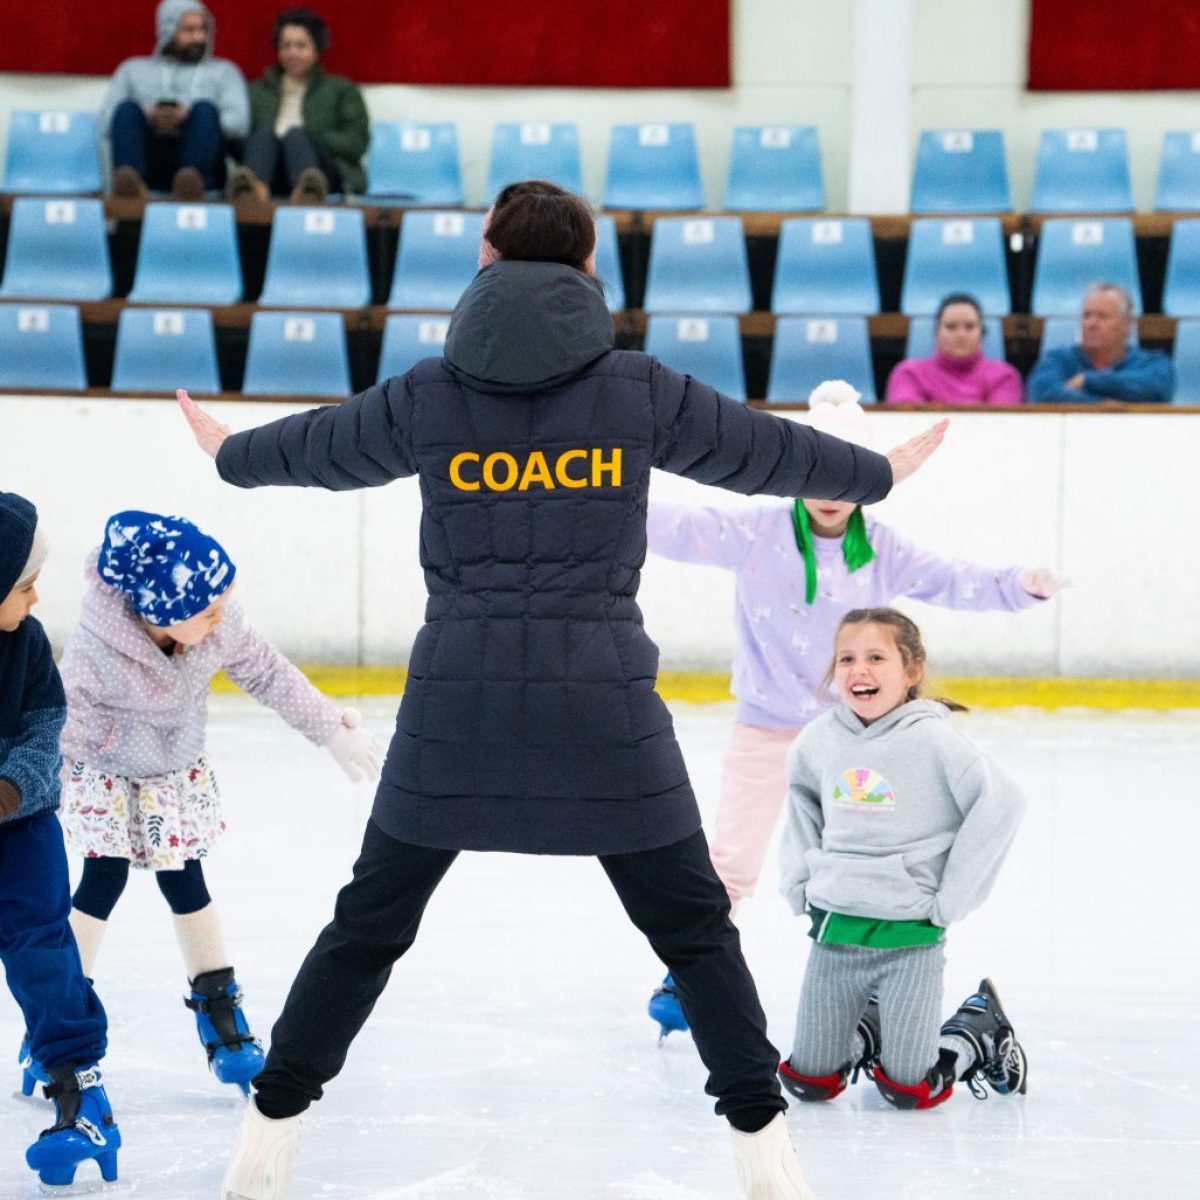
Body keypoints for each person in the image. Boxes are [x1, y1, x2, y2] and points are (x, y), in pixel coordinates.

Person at [179, 179, 947, 1200]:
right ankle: (767, 1157)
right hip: (604, 706)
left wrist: (232, 454)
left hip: (457, 705)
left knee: (367, 928)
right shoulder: (640, 390)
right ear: (590, 266)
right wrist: (875, 473)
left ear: (486, 258)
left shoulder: (428, 393)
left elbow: (320, 448)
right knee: (694, 935)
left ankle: (265, 1140)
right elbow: (765, 451)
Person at [642, 380, 1061, 1039]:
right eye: (816, 470)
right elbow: (675, 527)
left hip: (855, 740)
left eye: (846, 472)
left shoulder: (884, 548)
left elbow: (954, 580)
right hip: (766, 729)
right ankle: (688, 975)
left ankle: (872, 976)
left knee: (865, 859)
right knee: (731, 861)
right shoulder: (757, 532)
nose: (831, 489)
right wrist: (597, 492)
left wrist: (1020, 586)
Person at [57, 510, 383, 1096]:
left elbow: (269, 673)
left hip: (171, 775)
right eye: (208, 608)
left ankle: (217, 1006)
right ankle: (57, 1018)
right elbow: (61, 726)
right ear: (161, 611)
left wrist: (331, 730)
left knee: (186, 879)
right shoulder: (94, 651)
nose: (221, 615)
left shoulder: (215, 624)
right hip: (104, 776)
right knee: (102, 880)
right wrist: (36, 794)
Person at [777, 607, 1028, 1110]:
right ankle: (874, 1025)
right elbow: (802, 809)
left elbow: (1002, 802)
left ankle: (977, 1032)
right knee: (809, 1081)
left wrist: (952, 897)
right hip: (836, 931)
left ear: (912, 670)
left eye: (876, 657)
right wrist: (800, 883)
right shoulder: (819, 740)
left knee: (908, 1088)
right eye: (846, 658)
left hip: (911, 936)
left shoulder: (935, 740)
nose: (859, 670)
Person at [0, 493, 121, 1192]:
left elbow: (47, 730)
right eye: (23, 585)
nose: (35, 596)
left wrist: (9, 789)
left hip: (23, 830)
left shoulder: (28, 644)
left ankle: (82, 1097)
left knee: (43, 950)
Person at [100, 0, 249, 201]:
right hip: (150, 165)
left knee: (204, 110)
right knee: (126, 110)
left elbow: (239, 124)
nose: (199, 37)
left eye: (203, 29)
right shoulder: (132, 70)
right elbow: (106, 121)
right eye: (189, 30)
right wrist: (148, 115)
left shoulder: (224, 72)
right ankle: (132, 191)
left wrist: (188, 117)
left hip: (202, 170)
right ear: (167, 31)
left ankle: (191, 186)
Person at [227, 8, 369, 204]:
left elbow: (355, 143)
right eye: (286, 46)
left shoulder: (341, 90)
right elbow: (236, 141)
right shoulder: (256, 91)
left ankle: (307, 192)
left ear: (316, 49)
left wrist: (310, 137)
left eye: (301, 46)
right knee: (265, 133)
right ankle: (254, 197)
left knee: (295, 135)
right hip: (270, 172)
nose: (292, 53)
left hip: (323, 172)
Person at [1027, 282, 1175, 404]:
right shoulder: (1057, 359)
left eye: (1102, 316)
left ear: (1127, 324)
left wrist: (1087, 381)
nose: (1091, 324)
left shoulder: (1152, 363)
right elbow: (1042, 393)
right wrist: (1100, 405)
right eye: (1086, 316)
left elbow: (1158, 390)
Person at [885, 293, 1022, 406]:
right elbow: (908, 421)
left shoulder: (1004, 376)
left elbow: (1000, 423)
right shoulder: (909, 373)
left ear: (982, 334)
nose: (961, 335)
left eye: (969, 326)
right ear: (936, 333)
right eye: (951, 327)